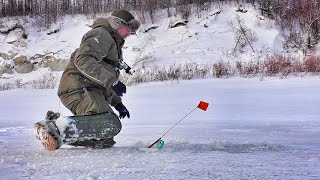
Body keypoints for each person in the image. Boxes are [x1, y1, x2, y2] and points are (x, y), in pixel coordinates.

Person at [56, 9, 141, 147]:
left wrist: (117, 103)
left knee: (105, 137)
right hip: (77, 88)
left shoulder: (113, 42)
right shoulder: (101, 34)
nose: (128, 34)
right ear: (117, 24)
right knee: (107, 123)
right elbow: (83, 59)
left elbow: (102, 76)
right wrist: (112, 81)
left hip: (90, 89)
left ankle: (57, 132)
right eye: (127, 30)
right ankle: (55, 129)